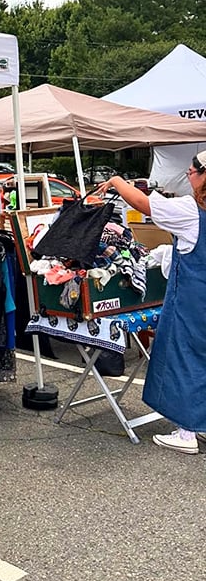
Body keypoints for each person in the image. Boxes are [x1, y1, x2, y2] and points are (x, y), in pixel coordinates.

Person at [97, 152, 206, 455]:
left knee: (186, 356)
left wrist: (118, 181)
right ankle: (201, 422)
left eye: (191, 171)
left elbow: (147, 205)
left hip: (194, 297)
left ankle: (186, 431)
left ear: (202, 176)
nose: (188, 176)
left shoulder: (191, 211)